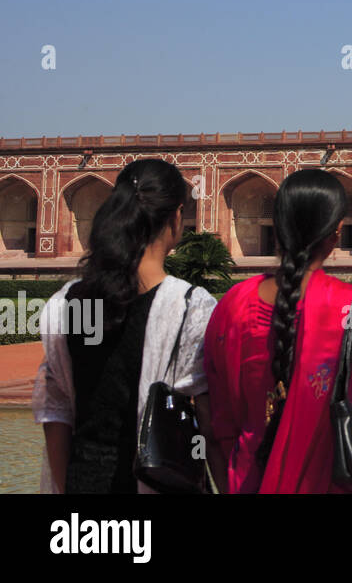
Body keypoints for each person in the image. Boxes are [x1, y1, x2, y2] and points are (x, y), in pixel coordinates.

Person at [203, 168, 352, 493]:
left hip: (248, 479)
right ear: (336, 233)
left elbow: (219, 418)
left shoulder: (233, 304)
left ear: (277, 229)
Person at [33, 159, 218, 494]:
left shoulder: (67, 303)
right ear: (176, 217)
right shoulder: (190, 306)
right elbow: (209, 424)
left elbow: (55, 414)